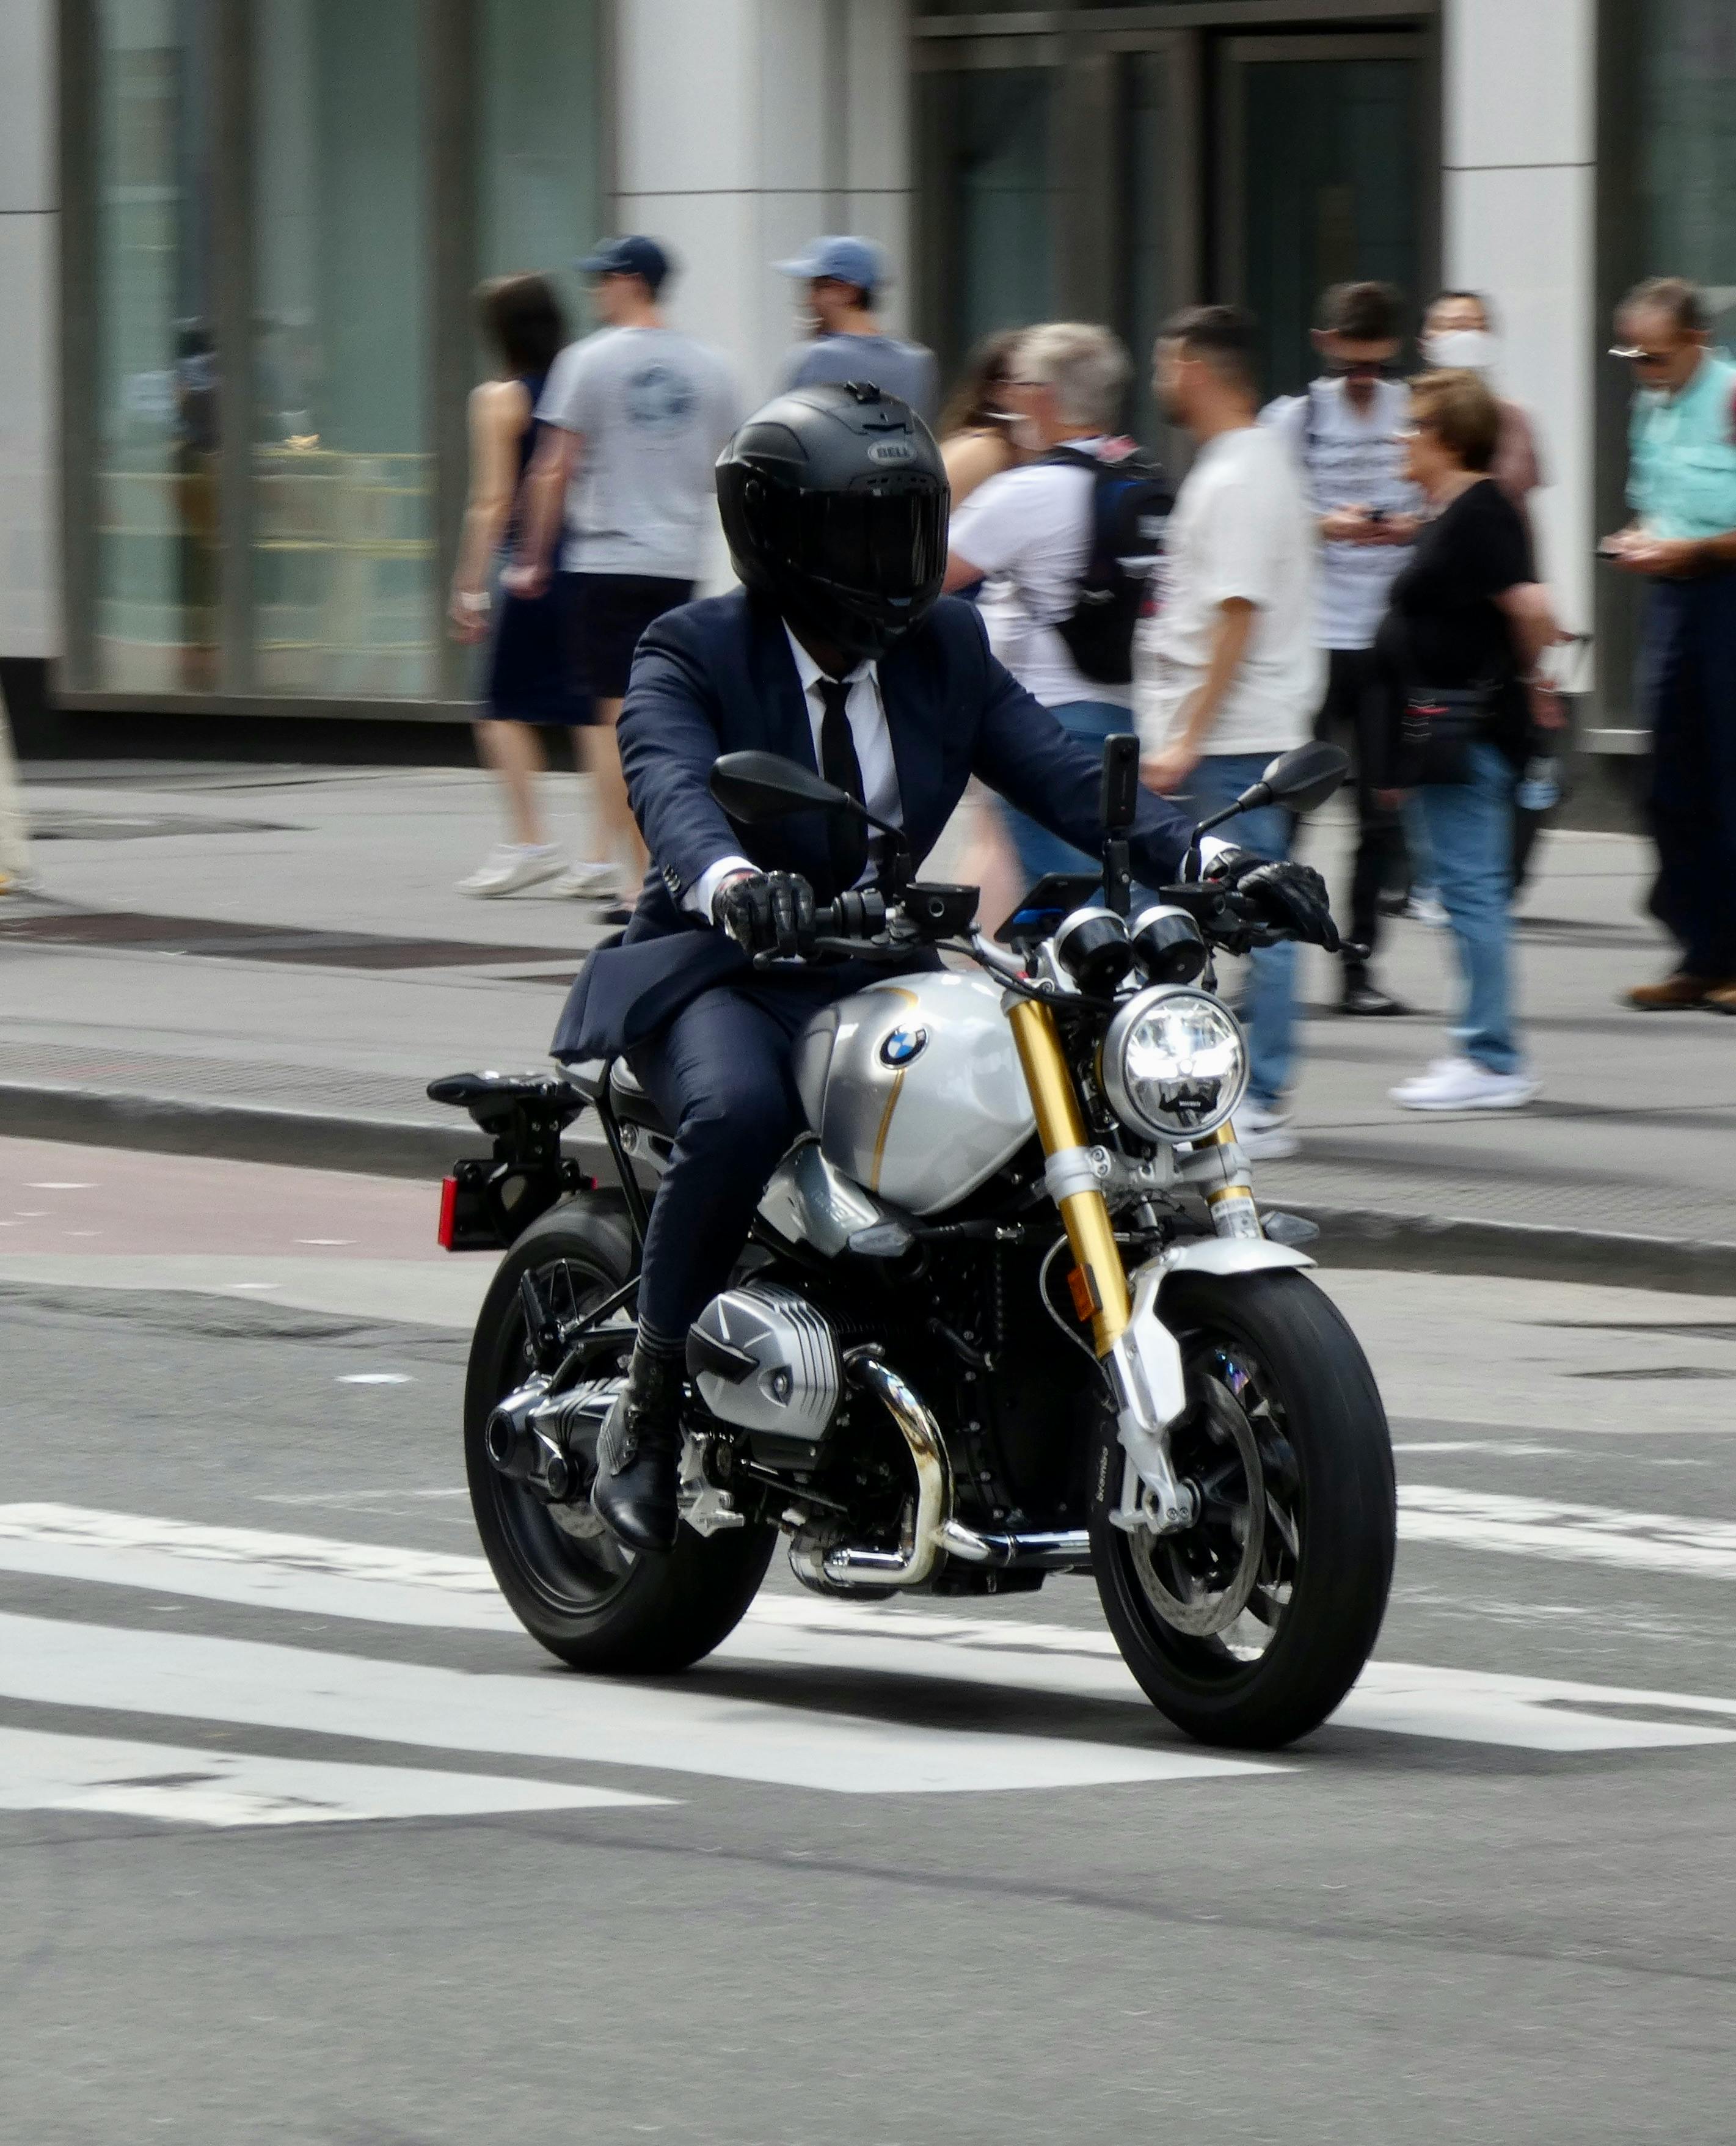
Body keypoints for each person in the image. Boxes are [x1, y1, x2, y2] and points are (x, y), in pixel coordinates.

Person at [550, 381, 1338, 1552]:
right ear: (783, 536)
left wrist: (1220, 859)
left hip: (882, 961)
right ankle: (650, 1414)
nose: (904, 556)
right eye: (871, 529)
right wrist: (728, 883)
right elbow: (669, 788)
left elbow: (1066, 779)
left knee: (1030, 1105)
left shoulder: (943, 644)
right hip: (722, 967)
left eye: (914, 523)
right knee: (740, 1111)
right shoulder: (694, 647)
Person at [1138, 305, 1324, 1161]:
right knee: (1239, 913)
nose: (1157, 379)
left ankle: (1267, 1099)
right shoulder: (1237, 465)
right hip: (1225, 734)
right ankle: (1236, 1086)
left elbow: (1235, 616)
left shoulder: (1244, 473)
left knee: (1261, 918)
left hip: (1234, 738)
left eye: (1166, 363)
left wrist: (1185, 736)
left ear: (1198, 370)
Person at [509, 236, 740, 922]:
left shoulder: (587, 361)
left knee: (615, 723)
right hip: (675, 563)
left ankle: (637, 880)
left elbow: (553, 467)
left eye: (602, 279)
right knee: (666, 717)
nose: (594, 292)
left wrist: (531, 555)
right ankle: (669, 868)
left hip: (605, 563)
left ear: (630, 282)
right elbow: (732, 462)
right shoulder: (713, 366)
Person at [1377, 370, 1557, 1109]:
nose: (1401, 440)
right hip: (1441, 731)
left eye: (1412, 427)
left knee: (1471, 895)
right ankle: (1483, 1051)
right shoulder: (1453, 508)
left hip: (1467, 734)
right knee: (1459, 892)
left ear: (1445, 438)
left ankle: (1490, 1058)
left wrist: (1531, 677)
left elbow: (1533, 607)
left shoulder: (1480, 510)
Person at [943, 323, 1148, 890]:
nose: (1011, 398)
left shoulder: (1031, 489)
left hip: (1044, 717)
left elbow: (928, 575)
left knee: (1064, 891)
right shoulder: (1142, 480)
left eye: (1023, 384)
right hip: (1125, 713)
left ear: (1046, 396)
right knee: (1112, 880)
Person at [1264, 282, 1423, 1016]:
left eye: (1376, 366)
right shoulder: (1293, 421)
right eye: (1352, 364)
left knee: (1380, 816)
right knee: (1287, 808)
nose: (1365, 379)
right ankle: (1266, 967)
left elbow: (1445, 497)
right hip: (1316, 639)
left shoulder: (1413, 412)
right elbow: (1262, 513)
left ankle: (1358, 968)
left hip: (1387, 640)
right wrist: (1326, 525)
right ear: (1324, 344)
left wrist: (1409, 528)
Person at [449, 274, 608, 899]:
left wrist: (468, 586)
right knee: (593, 714)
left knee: (499, 709)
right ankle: (599, 856)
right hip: (594, 558)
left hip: (532, 565)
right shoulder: (581, 389)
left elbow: (492, 501)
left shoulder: (499, 399)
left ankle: (529, 841)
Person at [1602, 276, 1736, 1014]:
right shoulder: (1647, 403)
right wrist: (1640, 539)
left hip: (1726, 591)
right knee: (1669, 783)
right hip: (1672, 599)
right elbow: (1652, 500)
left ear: (1697, 342)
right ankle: (1701, 953)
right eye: (1631, 355)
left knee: (1730, 779)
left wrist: (1695, 552)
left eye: (1654, 356)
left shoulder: (1731, 397)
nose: (1642, 370)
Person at [938, 330, 1029, 932]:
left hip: (977, 646)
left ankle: (980, 942)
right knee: (995, 819)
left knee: (995, 818)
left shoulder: (997, 450)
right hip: (968, 645)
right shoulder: (987, 449)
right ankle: (980, 948)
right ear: (1000, 387)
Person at [775, 236, 939, 422]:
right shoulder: (917, 364)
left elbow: (778, 436)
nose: (809, 301)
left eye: (818, 288)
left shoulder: (814, 359)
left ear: (848, 292)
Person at [1421, 292, 1546, 521]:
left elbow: (1517, 498)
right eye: (1456, 325)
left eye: (1479, 327)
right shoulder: (1416, 417)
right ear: (1428, 340)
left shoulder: (1514, 418)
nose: (1468, 336)